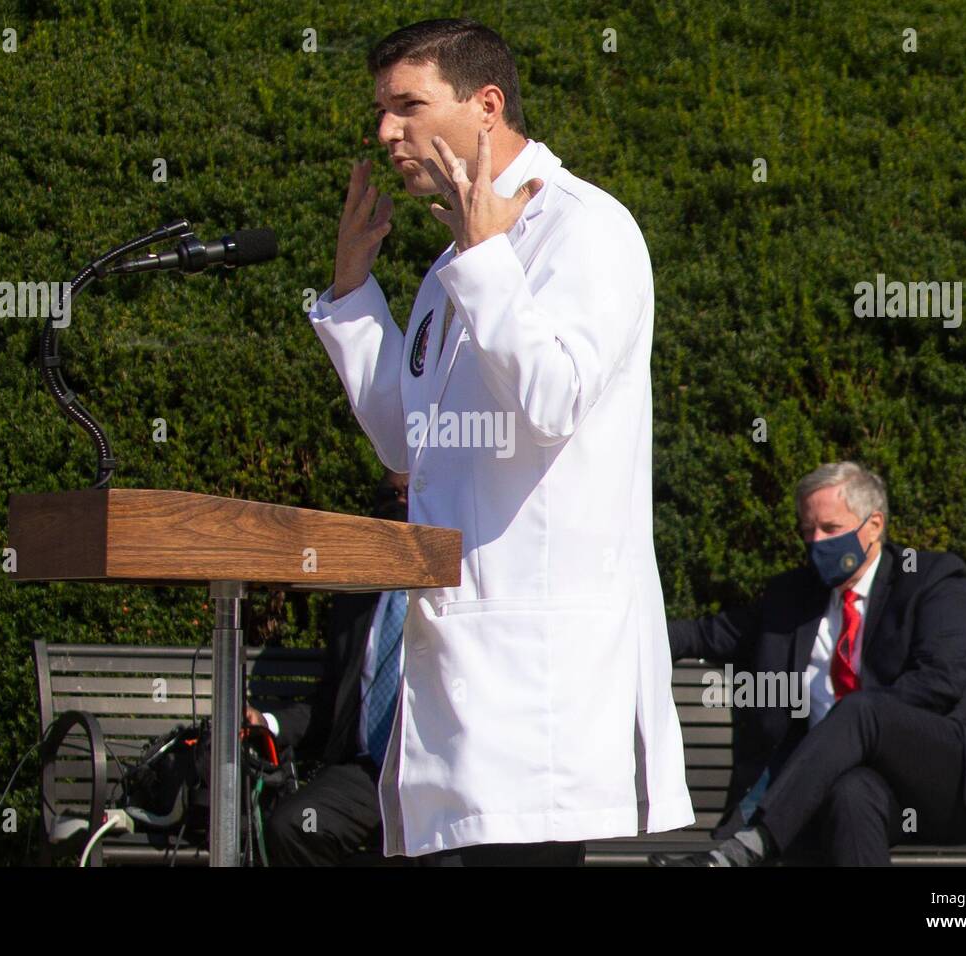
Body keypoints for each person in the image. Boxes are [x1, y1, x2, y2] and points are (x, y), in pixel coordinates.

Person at [307, 17, 694, 864]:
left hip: (539, 694)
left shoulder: (585, 229)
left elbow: (552, 400)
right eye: (380, 110)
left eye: (409, 105)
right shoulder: (457, 263)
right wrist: (352, 295)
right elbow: (411, 445)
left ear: (486, 105)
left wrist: (484, 259)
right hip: (455, 688)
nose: (384, 133)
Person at [651, 461, 966, 866]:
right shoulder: (793, 598)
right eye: (807, 531)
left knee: (860, 708)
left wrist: (858, 725)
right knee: (852, 793)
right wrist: (614, 638)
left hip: (952, 784)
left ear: (874, 524)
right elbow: (704, 634)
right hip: (856, 792)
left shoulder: (931, 580)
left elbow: (942, 680)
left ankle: (752, 845)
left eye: (830, 529)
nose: (817, 542)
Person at [248, 471, 410, 865]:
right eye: (390, 492)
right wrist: (266, 722)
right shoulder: (357, 600)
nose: (399, 501)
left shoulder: (465, 593)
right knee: (293, 826)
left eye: (410, 492)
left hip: (441, 772)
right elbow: (329, 708)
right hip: (368, 775)